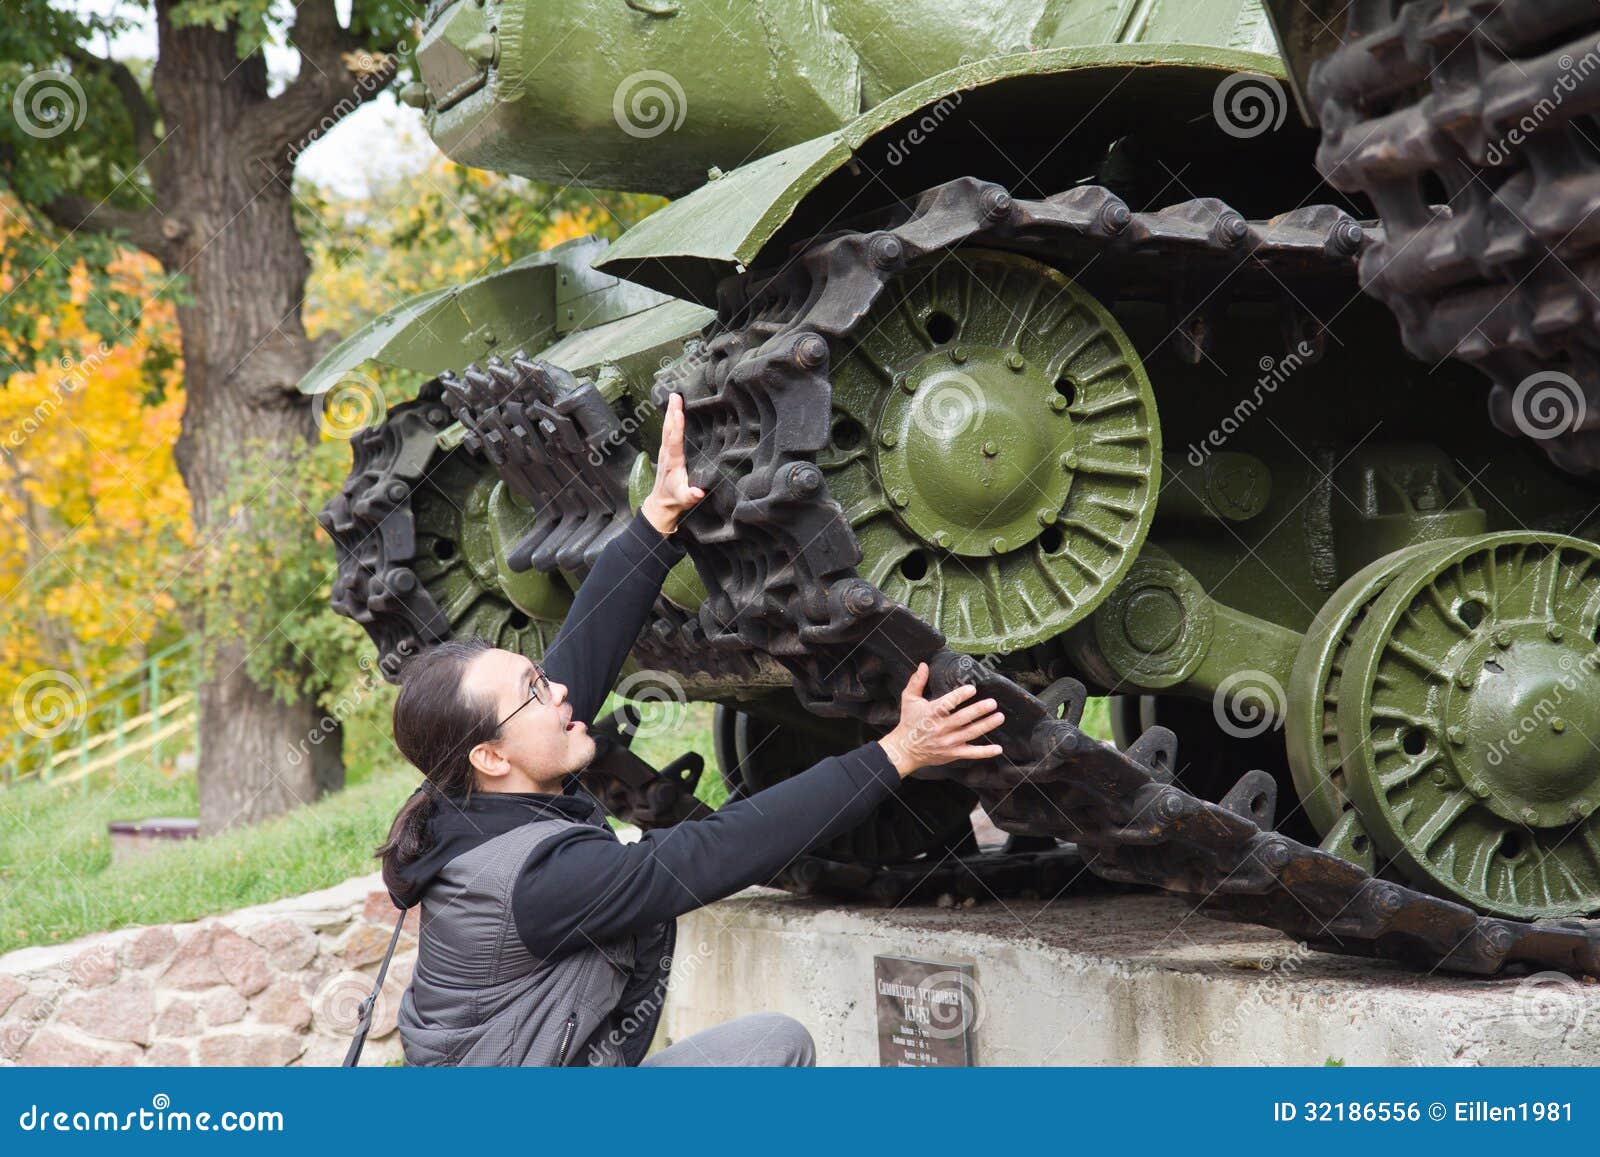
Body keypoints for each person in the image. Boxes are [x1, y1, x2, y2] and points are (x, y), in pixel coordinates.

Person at [377, 392, 1006, 1066]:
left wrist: (657, 520)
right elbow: (717, 848)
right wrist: (895, 753)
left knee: (770, 1043)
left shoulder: (473, 805)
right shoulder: (540, 882)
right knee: (772, 1049)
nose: (558, 690)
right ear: (491, 755)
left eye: (538, 674)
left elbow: (581, 655)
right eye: (533, 692)